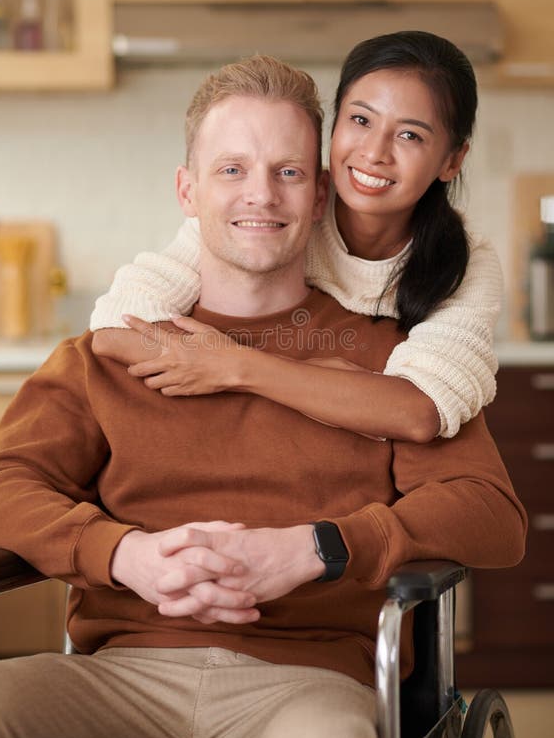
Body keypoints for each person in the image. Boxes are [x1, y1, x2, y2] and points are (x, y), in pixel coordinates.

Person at [0, 55, 525, 738]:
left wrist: (319, 548)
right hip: (119, 676)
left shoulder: (390, 361)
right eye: (231, 170)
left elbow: (489, 514)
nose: (261, 195)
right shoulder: (113, 352)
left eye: (287, 171)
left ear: (320, 196)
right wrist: (122, 553)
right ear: (186, 191)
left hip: (309, 689)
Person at [90, 31, 502, 443]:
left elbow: (420, 412)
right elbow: (116, 325)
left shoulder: (466, 264)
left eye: (409, 135)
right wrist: (343, 385)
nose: (375, 152)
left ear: (452, 159)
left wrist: (237, 365)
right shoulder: (279, 217)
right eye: (360, 120)